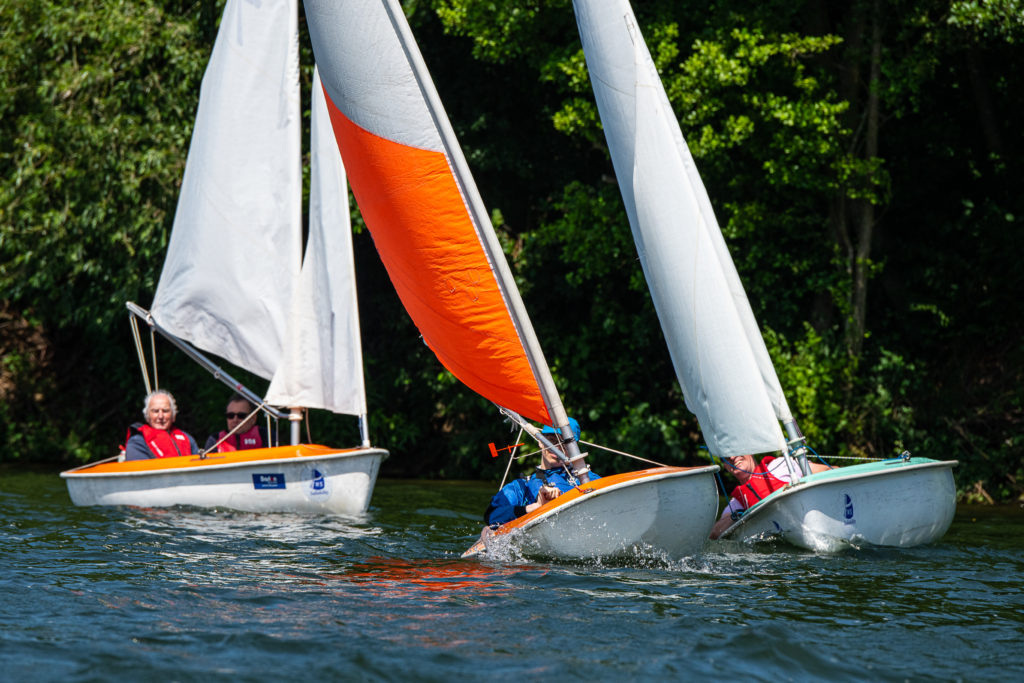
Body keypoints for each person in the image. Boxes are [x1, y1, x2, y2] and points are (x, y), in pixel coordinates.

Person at [483, 418, 600, 528]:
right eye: (552, 440)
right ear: (540, 441)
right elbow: (491, 515)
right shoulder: (522, 487)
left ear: (574, 448)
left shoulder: (587, 478)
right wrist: (535, 507)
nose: (557, 448)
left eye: (564, 443)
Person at [710, 453, 832, 538]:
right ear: (725, 466)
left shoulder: (782, 464)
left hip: (813, 520)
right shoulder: (736, 504)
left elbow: (828, 470)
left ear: (750, 451)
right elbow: (715, 533)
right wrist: (738, 515)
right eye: (725, 458)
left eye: (735, 451)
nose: (732, 457)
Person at [123, 389, 199, 460]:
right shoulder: (138, 441)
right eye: (155, 411)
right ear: (147, 416)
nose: (160, 416)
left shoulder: (187, 439)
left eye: (165, 411)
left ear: (173, 415)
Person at [204, 394, 271, 452]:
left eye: (241, 416)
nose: (235, 420)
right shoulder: (215, 440)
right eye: (230, 415)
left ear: (253, 419)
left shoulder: (266, 436)